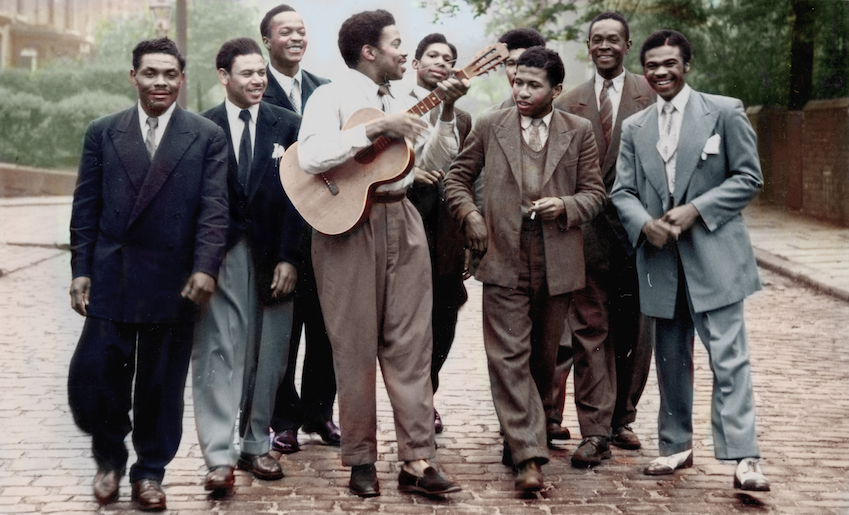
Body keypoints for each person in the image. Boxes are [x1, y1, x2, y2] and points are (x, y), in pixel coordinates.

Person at [296, 9, 466, 498]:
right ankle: (361, 460)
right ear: (369, 51)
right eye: (396, 43)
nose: (404, 52)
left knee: (413, 343)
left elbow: (434, 163)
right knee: (352, 346)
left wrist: (446, 112)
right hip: (348, 223)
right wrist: (373, 130)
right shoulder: (331, 96)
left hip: (403, 218)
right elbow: (309, 156)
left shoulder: (410, 99)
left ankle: (416, 460)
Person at [67, 38, 228, 510]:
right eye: (151, 73)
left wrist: (205, 267)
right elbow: (86, 207)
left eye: (170, 74)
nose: (161, 82)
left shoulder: (204, 135)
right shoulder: (103, 132)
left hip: (173, 277)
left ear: (182, 78)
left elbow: (214, 208)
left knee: (161, 382)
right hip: (111, 274)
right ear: (133, 77)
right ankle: (108, 462)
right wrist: (81, 270)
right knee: (101, 377)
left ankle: (150, 473)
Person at [610, 29, 770, 491]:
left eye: (670, 64)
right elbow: (622, 190)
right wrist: (644, 223)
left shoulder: (723, 111)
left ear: (687, 66)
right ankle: (675, 446)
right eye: (652, 65)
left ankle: (745, 457)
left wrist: (697, 209)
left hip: (715, 258)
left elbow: (749, 178)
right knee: (670, 357)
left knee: (729, 358)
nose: (661, 72)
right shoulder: (636, 126)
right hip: (661, 262)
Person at [444, 47, 606, 492]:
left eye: (534, 85)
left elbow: (595, 193)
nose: (521, 91)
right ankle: (529, 457)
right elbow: (457, 178)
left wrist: (566, 205)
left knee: (541, 357)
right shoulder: (489, 125)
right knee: (508, 355)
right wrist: (471, 215)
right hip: (502, 253)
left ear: (556, 90)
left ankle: (520, 435)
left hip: (556, 255)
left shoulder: (579, 131)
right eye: (517, 82)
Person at [191, 37, 303, 494]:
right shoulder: (200, 127)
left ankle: (257, 444)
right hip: (225, 253)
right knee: (219, 350)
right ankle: (219, 456)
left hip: (277, 252)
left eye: (261, 72)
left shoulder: (289, 125)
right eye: (247, 73)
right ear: (224, 77)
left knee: (271, 353)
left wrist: (290, 257)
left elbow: (302, 195)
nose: (257, 80)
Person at [551, 11, 656, 464]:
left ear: (627, 45)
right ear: (588, 46)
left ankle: (621, 418)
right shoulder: (568, 103)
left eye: (614, 39)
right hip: (587, 235)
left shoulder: (651, 96)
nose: (605, 46)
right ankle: (594, 431)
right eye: (597, 39)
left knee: (635, 327)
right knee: (590, 330)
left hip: (640, 234)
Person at [259, 3, 340, 455]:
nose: (295, 37)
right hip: (277, 233)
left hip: (326, 228)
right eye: (285, 31)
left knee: (327, 328)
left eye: (301, 31)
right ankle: (283, 419)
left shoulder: (325, 91)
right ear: (268, 40)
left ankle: (319, 414)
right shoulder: (256, 88)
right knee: (284, 332)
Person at [407, 32, 472, 434]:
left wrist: (467, 235)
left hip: (445, 232)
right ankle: (410, 402)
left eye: (448, 59)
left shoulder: (462, 119)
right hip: (404, 223)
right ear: (415, 64)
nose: (441, 63)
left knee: (444, 316)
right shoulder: (397, 106)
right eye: (432, 55)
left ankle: (427, 395)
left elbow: (466, 177)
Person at [495, 28, 546, 109]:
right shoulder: (492, 118)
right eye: (511, 63)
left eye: (523, 63)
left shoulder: (564, 112)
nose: (516, 71)